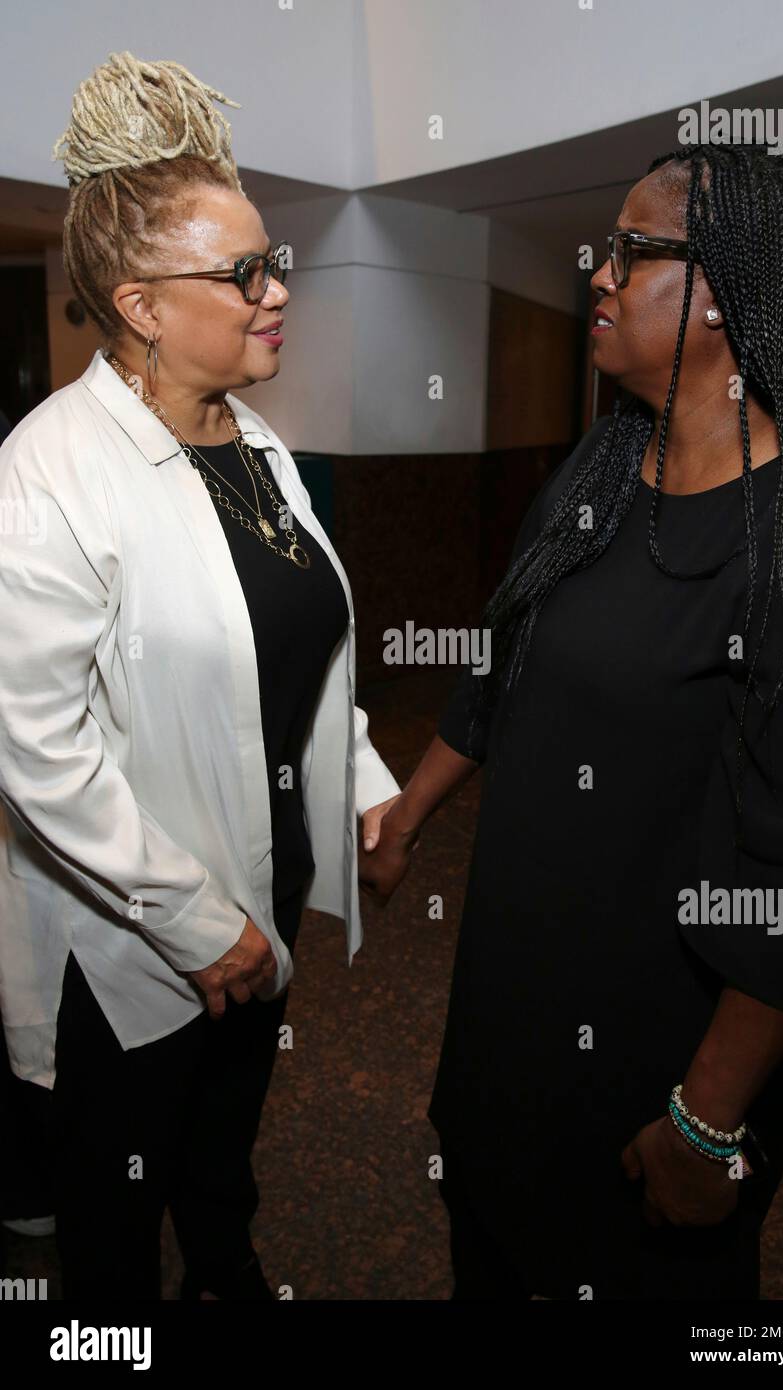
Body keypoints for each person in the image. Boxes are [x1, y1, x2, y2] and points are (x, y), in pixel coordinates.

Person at [359, 142, 783, 1300]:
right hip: (512, 1001)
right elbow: (506, 659)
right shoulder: (602, 465)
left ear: (724, 288)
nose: (597, 273)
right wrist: (410, 810)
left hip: (659, 1052)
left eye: (633, 251)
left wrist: (703, 1124)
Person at [0, 51, 399, 1301]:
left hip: (259, 884)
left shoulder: (251, 437)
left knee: (220, 1163)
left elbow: (292, 642)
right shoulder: (50, 469)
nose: (278, 290)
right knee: (114, 1211)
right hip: (129, 942)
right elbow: (35, 746)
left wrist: (366, 775)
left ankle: (227, 1278)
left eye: (274, 260)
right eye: (243, 273)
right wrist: (189, 918)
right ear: (139, 305)